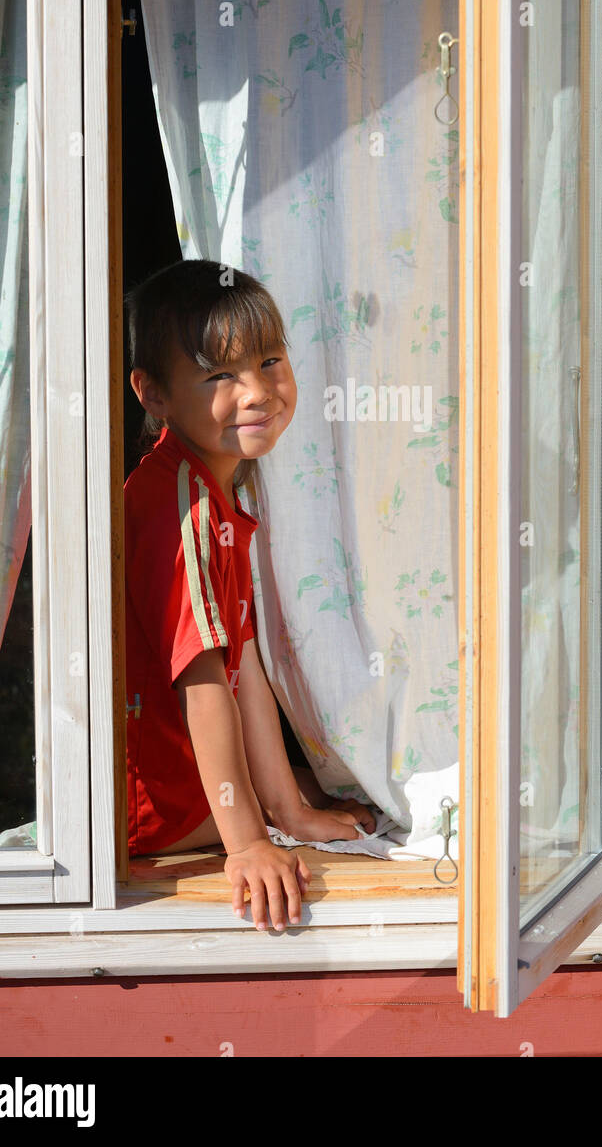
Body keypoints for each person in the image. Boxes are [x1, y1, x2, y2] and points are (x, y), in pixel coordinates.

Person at [123, 259, 376, 933]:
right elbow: (203, 681)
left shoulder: (214, 490)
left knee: (347, 794)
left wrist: (287, 808)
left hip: (185, 793)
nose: (257, 391)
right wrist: (248, 842)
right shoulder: (182, 505)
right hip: (150, 811)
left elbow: (242, 670)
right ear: (152, 396)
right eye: (218, 376)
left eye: (268, 361)